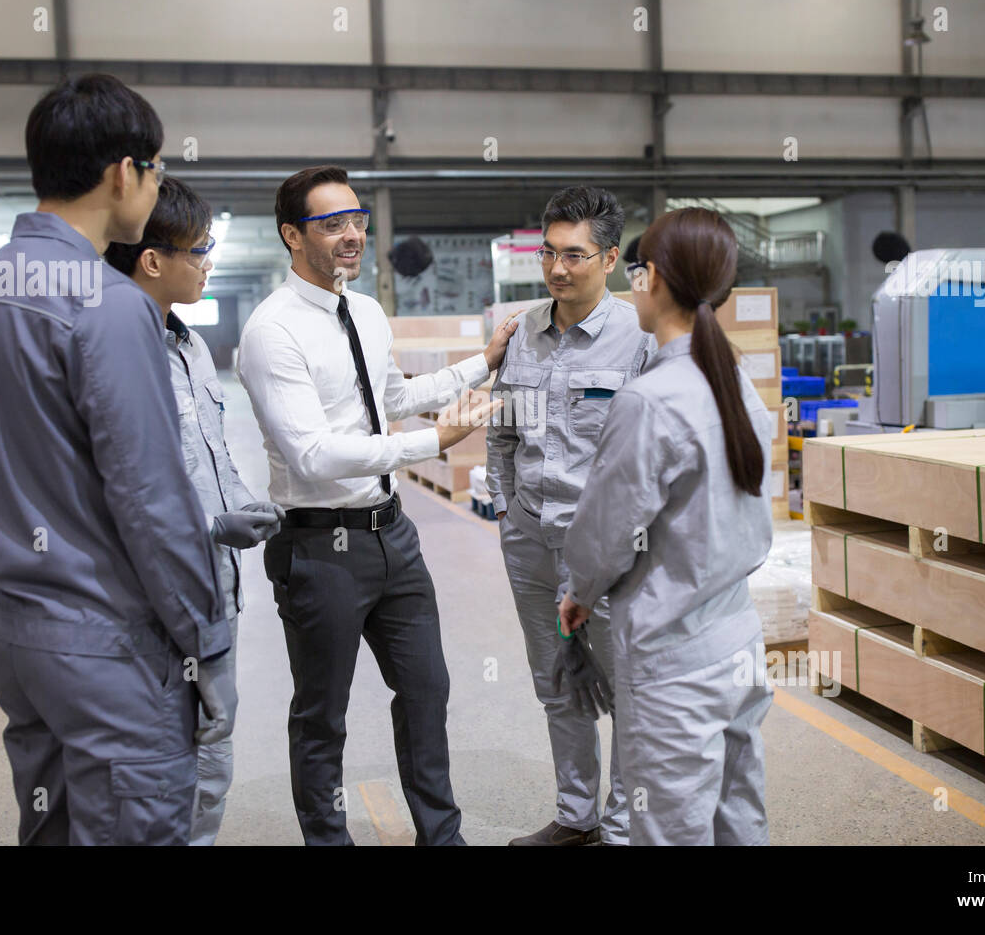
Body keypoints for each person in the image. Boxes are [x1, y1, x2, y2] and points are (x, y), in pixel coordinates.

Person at [0, 74, 235, 845]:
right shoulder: (109, 304)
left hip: (20, 636)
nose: (157, 185)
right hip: (110, 646)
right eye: (157, 170)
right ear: (122, 173)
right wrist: (208, 643)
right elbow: (150, 498)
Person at [236, 165, 519, 846]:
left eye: (357, 219)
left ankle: (441, 836)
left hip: (392, 536)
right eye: (332, 223)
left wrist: (481, 363)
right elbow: (314, 455)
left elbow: (390, 396)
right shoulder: (273, 331)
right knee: (322, 714)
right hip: (319, 548)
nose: (353, 234)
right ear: (292, 235)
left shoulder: (363, 310)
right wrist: (434, 443)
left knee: (426, 689)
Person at [558, 207, 775, 846]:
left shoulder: (650, 400)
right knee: (739, 811)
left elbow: (606, 532)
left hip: (674, 655)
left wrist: (579, 593)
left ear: (650, 277)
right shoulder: (734, 380)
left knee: (670, 829)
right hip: (738, 635)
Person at [104, 176, 284, 845]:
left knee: (213, 741)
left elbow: (213, 453)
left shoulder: (191, 347)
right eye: (200, 249)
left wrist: (242, 504)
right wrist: (210, 527)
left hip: (212, 589)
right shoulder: (109, 355)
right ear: (152, 260)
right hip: (147, 601)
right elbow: (108, 494)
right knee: (154, 752)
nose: (208, 261)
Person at [485, 186, 654, 847]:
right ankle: (576, 816)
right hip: (530, 540)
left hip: (607, 551)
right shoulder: (523, 332)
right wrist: (506, 509)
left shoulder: (640, 336)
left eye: (575, 255)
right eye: (549, 253)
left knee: (626, 691)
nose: (557, 269)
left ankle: (622, 829)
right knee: (557, 684)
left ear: (609, 258)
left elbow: (659, 451)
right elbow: (501, 433)